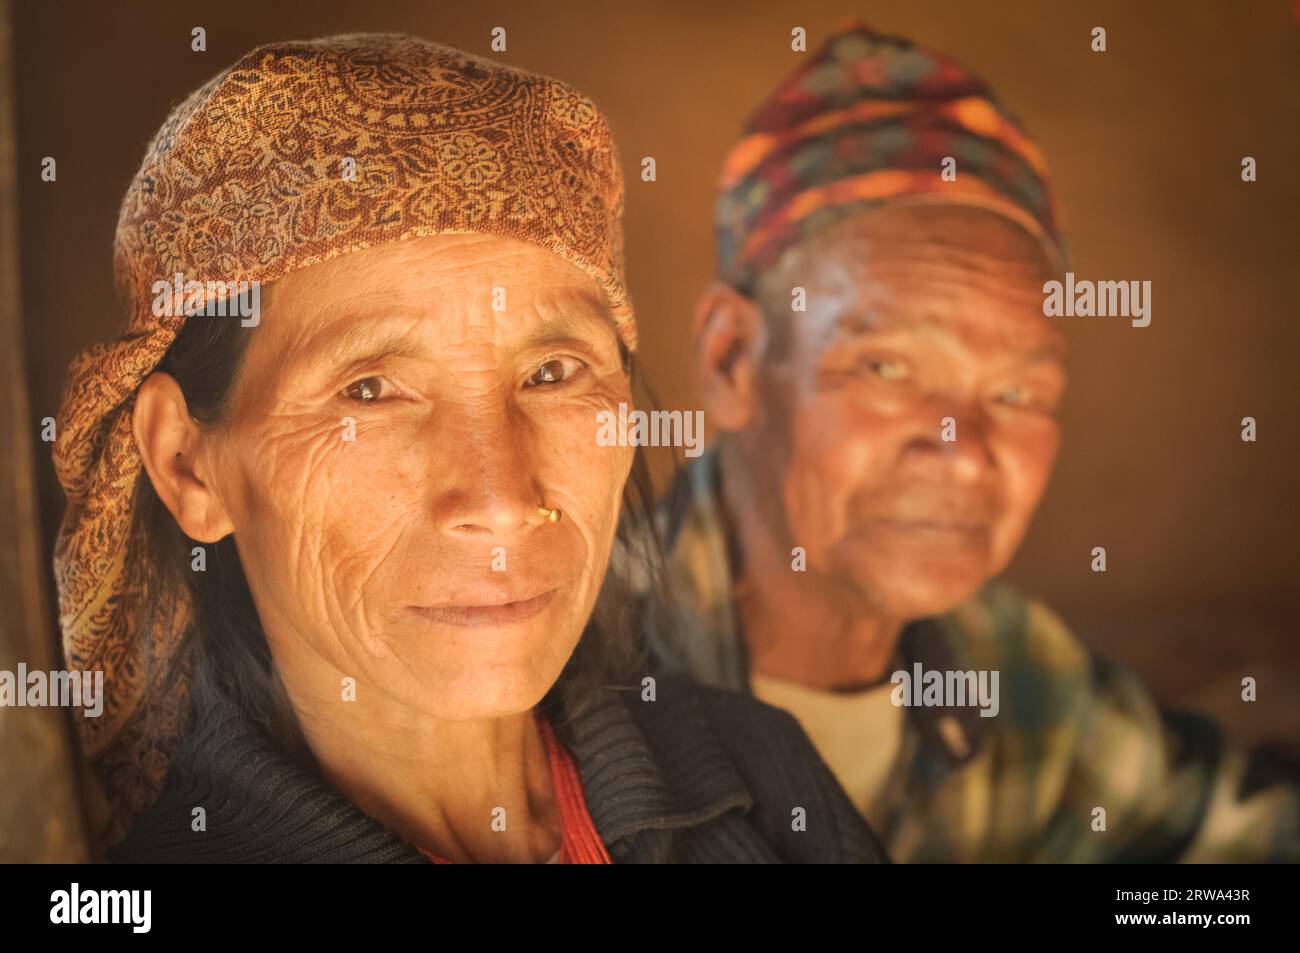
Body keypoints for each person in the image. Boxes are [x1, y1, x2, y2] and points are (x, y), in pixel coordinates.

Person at [52, 33, 887, 864]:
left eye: (554, 372)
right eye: (370, 389)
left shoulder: (759, 775)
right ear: (188, 466)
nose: (499, 500)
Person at [643, 21, 1300, 863]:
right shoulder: (570, 681)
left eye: (1017, 391)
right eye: (886, 366)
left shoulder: (1010, 665)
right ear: (731, 361)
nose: (963, 450)